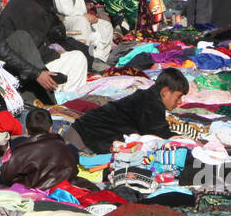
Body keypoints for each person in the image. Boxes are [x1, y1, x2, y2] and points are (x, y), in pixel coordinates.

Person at [0, 0, 91, 95]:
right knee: (78, 59)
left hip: (34, 60)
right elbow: (31, 48)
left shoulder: (34, 0)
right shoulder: (27, 7)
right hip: (24, 68)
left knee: (77, 54)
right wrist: (56, 54)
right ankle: (67, 101)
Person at [61, 66, 189, 154]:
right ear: (165, 92)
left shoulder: (148, 98)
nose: (180, 102)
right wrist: (183, 140)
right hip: (82, 138)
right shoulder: (151, 103)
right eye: (178, 97)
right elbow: (160, 133)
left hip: (82, 133)